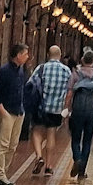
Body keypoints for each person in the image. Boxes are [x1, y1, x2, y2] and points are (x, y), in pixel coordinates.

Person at [0, 43, 31, 185]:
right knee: (3, 144)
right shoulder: (5, 71)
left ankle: (4, 172)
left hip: (19, 111)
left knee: (13, 145)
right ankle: (0, 175)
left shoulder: (21, 70)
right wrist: (3, 112)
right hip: (7, 112)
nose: (27, 57)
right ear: (18, 55)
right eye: (25, 54)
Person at [29, 41, 70, 177]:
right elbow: (69, 90)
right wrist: (66, 108)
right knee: (51, 134)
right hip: (56, 108)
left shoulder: (41, 68)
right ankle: (49, 166)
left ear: (48, 55)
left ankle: (39, 156)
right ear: (60, 55)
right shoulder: (66, 70)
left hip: (41, 107)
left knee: (36, 131)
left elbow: (31, 84)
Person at [67, 46, 93, 179]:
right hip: (91, 111)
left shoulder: (75, 74)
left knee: (75, 139)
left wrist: (67, 109)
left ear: (82, 60)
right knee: (88, 141)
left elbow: (70, 93)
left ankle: (77, 158)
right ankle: (82, 172)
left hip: (77, 110)